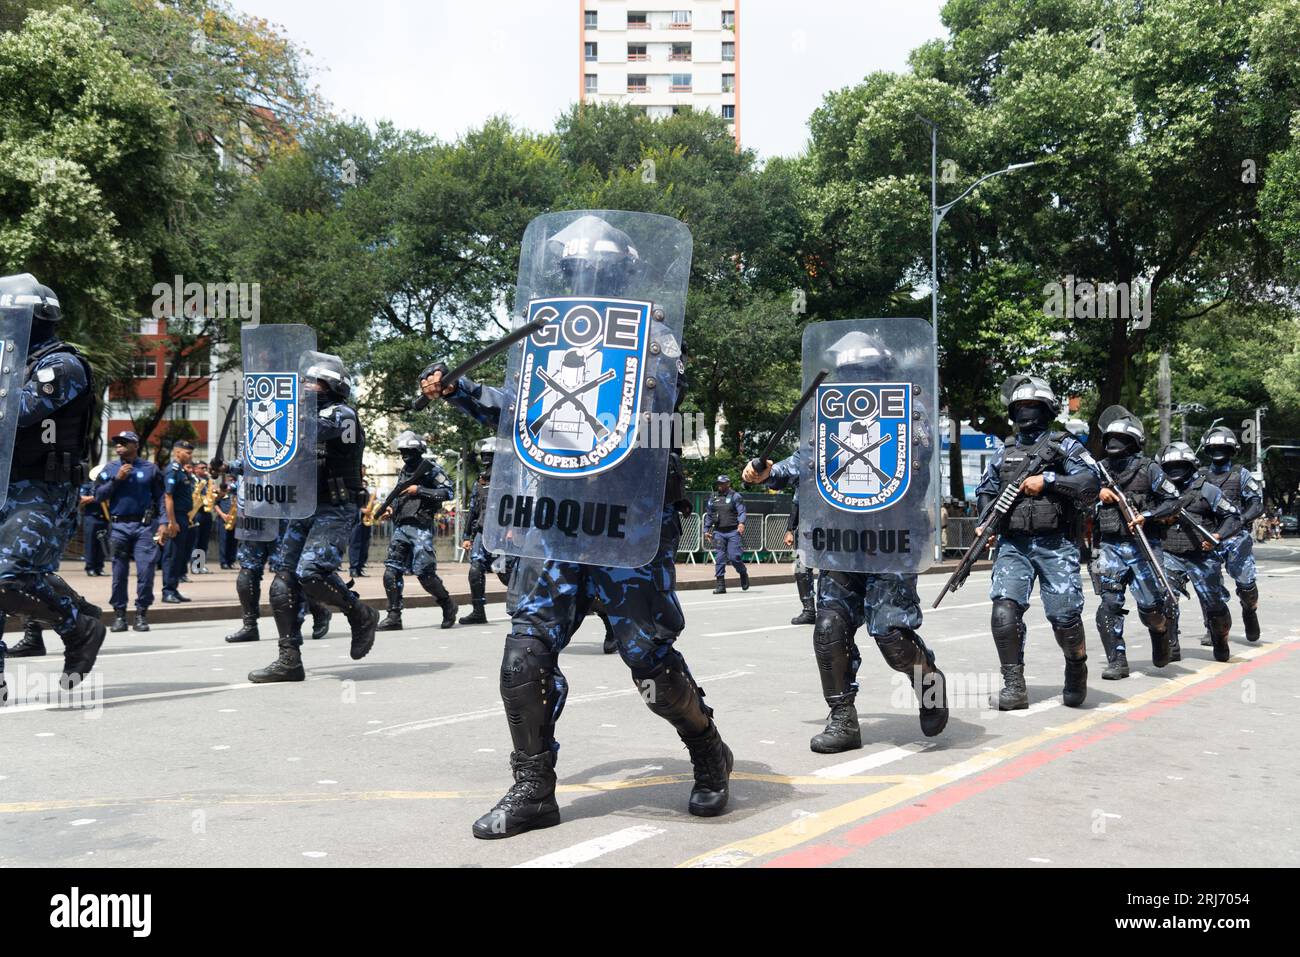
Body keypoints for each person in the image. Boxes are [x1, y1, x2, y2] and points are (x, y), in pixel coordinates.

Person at [418, 212, 733, 838]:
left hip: (625, 527)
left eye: (596, 270)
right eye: (572, 270)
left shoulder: (654, 337)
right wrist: (458, 390)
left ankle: (707, 750)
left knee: (651, 668)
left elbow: (652, 410)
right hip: (552, 524)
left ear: (622, 275)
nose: (583, 278)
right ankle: (534, 788)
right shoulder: (540, 339)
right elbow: (518, 415)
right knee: (523, 657)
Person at [742, 329, 948, 752]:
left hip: (889, 538)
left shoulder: (908, 408)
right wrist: (770, 472)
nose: (854, 378)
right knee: (830, 627)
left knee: (891, 636)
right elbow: (807, 456)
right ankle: (843, 719)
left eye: (862, 370)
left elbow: (917, 455)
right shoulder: (829, 413)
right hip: (839, 537)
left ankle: (929, 685)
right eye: (848, 371)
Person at [0, 274, 107, 702]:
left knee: (9, 577)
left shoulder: (60, 365)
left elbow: (19, 410)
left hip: (44, 488)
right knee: (20, 575)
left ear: (38, 317)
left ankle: (77, 627)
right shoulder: (11, 365)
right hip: (8, 483)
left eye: (12, 315)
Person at [248, 353, 379, 683]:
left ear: (332, 385)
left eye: (312, 382)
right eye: (303, 381)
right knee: (283, 580)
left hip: (336, 508)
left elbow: (319, 429)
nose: (304, 387)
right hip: (303, 507)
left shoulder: (342, 415)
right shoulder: (298, 419)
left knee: (312, 572)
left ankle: (358, 613)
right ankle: (289, 659)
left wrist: (286, 409)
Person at [973, 375, 1100, 710]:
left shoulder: (1065, 446)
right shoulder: (1005, 452)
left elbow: (1090, 481)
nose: (1026, 413)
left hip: (1055, 543)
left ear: (1047, 410)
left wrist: (1049, 481)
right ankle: (1014, 686)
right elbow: (985, 489)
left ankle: (1076, 667)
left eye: (1033, 406)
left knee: (1064, 617)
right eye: (1020, 407)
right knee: (1004, 610)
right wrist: (985, 520)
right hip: (1013, 543)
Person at [1091, 406, 1180, 678]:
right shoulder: (1098, 471)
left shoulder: (1149, 469)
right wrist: (1098, 492)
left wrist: (1147, 516)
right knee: (1108, 604)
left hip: (1144, 546)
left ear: (1134, 443)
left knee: (1152, 607)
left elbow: (1173, 500)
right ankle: (1117, 660)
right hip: (1110, 546)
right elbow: (1077, 495)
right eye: (1110, 440)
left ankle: (1161, 632)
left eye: (1122, 440)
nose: (1115, 445)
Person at [1157, 442, 1239, 662]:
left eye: (1180, 465)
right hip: (1170, 554)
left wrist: (1218, 537)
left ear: (1191, 465)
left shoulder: (1208, 491)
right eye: (1170, 466)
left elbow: (1232, 516)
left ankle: (1220, 639)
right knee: (1166, 599)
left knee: (1214, 605)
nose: (1175, 470)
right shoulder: (1159, 492)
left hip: (1202, 556)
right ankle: (1171, 644)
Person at [376, 431, 458, 631]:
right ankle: (394, 616)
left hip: (421, 527)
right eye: (403, 451)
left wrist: (419, 490)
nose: (405, 454)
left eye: (409, 451)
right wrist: (390, 508)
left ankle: (448, 605)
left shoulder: (431, 469)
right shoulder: (405, 470)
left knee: (425, 573)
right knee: (391, 571)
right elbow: (400, 495)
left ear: (419, 450)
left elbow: (448, 492)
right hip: (402, 526)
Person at [96, 431, 165, 633]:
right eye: (117, 443)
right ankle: (119, 615)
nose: (119, 446)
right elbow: (98, 495)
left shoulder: (150, 469)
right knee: (119, 573)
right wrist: (117, 479)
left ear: (135, 445)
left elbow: (161, 497)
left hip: (144, 526)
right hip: (118, 527)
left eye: (124, 443)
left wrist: (163, 522)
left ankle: (141, 614)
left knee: (146, 571)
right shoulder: (109, 468)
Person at [1199, 427, 1264, 643]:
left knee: (1246, 587)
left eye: (1222, 447)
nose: (1218, 451)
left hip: (1236, 538)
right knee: (1209, 586)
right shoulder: (1200, 476)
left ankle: (1249, 610)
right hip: (1209, 537)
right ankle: (1213, 626)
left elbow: (1256, 504)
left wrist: (1241, 520)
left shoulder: (1241, 474)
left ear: (1231, 449)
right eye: (1214, 447)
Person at [160, 440, 195, 603]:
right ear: (177, 452)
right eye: (187, 452)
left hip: (182, 516)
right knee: (171, 555)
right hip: (175, 516)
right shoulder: (172, 471)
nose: (190, 455)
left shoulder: (181, 471)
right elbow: (168, 496)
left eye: (191, 452)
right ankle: (167, 591)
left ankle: (173, 589)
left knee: (179, 555)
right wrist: (171, 521)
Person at [704, 475, 749, 594]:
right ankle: (720, 585)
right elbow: (709, 515)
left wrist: (741, 523)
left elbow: (742, 512)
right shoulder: (713, 498)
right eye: (719, 483)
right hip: (718, 532)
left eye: (723, 483)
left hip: (733, 532)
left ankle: (743, 572)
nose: (720, 485)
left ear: (728, 484)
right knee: (719, 558)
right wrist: (706, 530)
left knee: (734, 557)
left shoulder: (735, 496)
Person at [786, 494, 815, 625]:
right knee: (800, 569)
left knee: (833, 570)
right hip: (806, 531)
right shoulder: (804, 479)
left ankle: (834, 610)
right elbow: (796, 504)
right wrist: (789, 530)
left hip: (832, 528)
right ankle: (808, 610)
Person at [79, 469, 107, 576]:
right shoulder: (88, 485)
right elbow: (81, 499)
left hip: (104, 517)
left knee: (102, 543)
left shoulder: (106, 486)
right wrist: (96, 498)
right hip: (91, 517)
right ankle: (90, 567)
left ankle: (99, 567)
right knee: (90, 543)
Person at [349, 469, 373, 578]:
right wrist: (361, 510)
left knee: (365, 544)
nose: (364, 472)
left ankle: (360, 567)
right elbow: (349, 501)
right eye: (362, 470)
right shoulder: (352, 484)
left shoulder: (365, 486)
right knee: (355, 543)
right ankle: (353, 568)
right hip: (356, 518)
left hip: (366, 520)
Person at [191, 460, 214, 574]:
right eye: (202, 468)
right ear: (195, 469)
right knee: (196, 540)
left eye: (206, 468)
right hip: (196, 512)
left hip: (206, 512)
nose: (205, 470)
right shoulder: (192, 480)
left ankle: (200, 565)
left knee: (203, 541)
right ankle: (195, 565)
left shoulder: (207, 481)